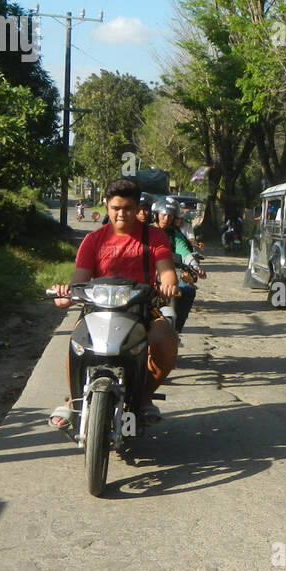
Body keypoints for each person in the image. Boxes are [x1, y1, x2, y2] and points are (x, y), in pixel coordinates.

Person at [49, 178, 180, 428]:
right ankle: (74, 400)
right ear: (107, 206)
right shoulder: (93, 240)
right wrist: (66, 295)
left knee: (165, 340)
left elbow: (166, 270)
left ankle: (143, 395)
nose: (122, 214)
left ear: (137, 208)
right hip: (98, 309)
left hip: (141, 308)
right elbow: (79, 281)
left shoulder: (154, 236)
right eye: (116, 208)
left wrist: (168, 283)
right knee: (77, 342)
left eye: (128, 208)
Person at [154, 197, 204, 333]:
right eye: (163, 214)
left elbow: (184, 251)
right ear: (156, 215)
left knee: (187, 290)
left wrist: (195, 267)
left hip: (168, 273)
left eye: (170, 216)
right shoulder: (146, 232)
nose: (166, 218)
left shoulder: (175, 234)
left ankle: (176, 329)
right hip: (147, 273)